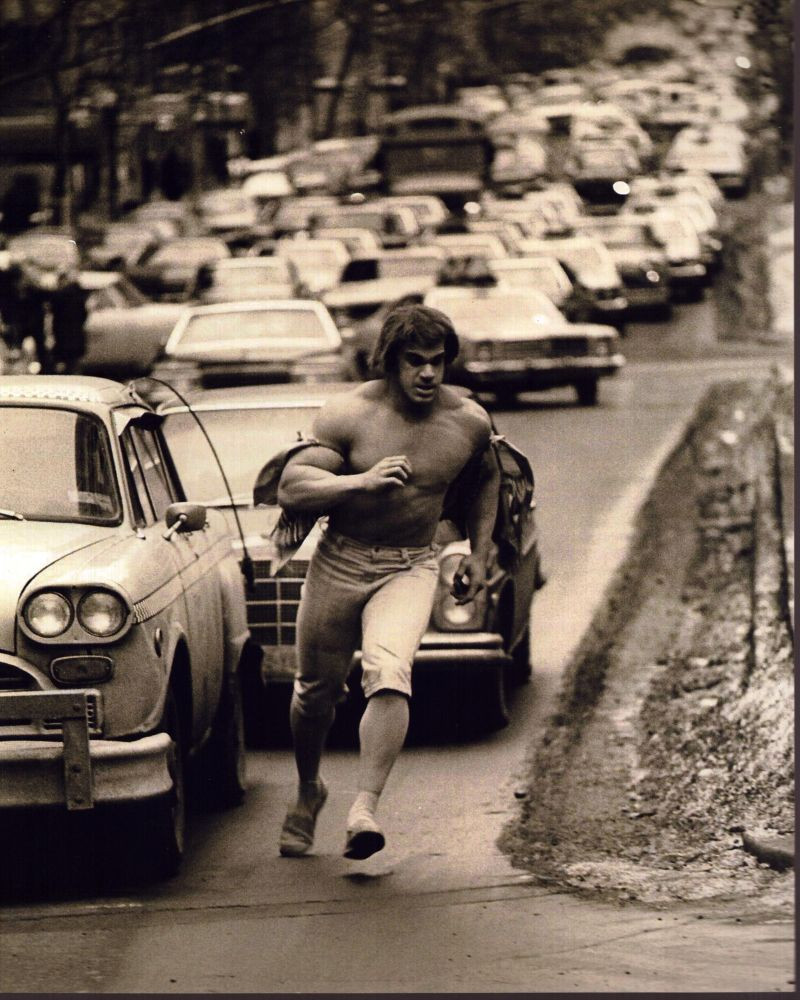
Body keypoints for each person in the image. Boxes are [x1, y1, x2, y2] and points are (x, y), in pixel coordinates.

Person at [275, 303, 500, 860]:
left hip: (410, 564)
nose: (427, 374)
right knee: (314, 696)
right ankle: (308, 789)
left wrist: (479, 550)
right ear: (390, 361)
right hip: (340, 561)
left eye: (437, 362)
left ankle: (364, 810)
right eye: (414, 361)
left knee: (390, 669)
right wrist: (361, 482)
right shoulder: (348, 414)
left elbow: (490, 481)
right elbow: (292, 488)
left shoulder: (468, 421)